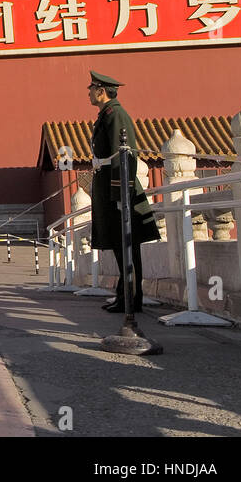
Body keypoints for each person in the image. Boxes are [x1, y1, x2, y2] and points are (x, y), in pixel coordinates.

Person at [88, 70, 160, 313]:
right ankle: (124, 294)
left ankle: (131, 297)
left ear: (101, 91)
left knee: (127, 245)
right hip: (108, 186)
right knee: (120, 246)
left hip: (116, 189)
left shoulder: (115, 115)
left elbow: (125, 154)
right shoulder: (106, 115)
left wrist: (121, 195)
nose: (88, 92)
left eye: (91, 88)